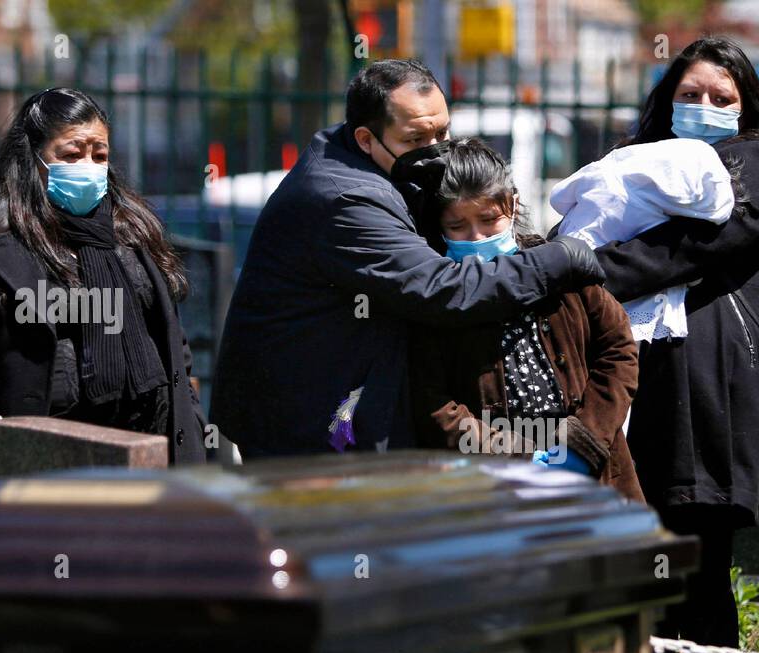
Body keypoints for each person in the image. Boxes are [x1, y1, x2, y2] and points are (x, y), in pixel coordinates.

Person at [581, 37, 759, 653]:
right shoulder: (637, 163)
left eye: (721, 97)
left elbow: (698, 245)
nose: (703, 108)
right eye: (690, 93)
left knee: (704, 569)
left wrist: (581, 264)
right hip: (630, 380)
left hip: (707, 386)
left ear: (746, 108)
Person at [210, 59, 605, 460]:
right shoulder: (344, 199)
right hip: (310, 429)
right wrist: (557, 259)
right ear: (366, 139)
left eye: (443, 132)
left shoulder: (368, 159)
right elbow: (442, 288)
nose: (435, 151)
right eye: (416, 139)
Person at [0, 87, 206, 464]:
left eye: (99, 155)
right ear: (32, 158)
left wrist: (194, 430)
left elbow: (173, 351)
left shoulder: (133, 232)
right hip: (37, 466)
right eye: (71, 153)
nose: (88, 165)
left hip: (149, 457)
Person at [411, 139, 642, 500]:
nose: (477, 237)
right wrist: (516, 457)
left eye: (489, 220)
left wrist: (584, 440)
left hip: (591, 476)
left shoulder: (560, 271)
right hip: (490, 488)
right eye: (458, 226)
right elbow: (433, 402)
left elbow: (619, 350)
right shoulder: (438, 295)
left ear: (512, 205)